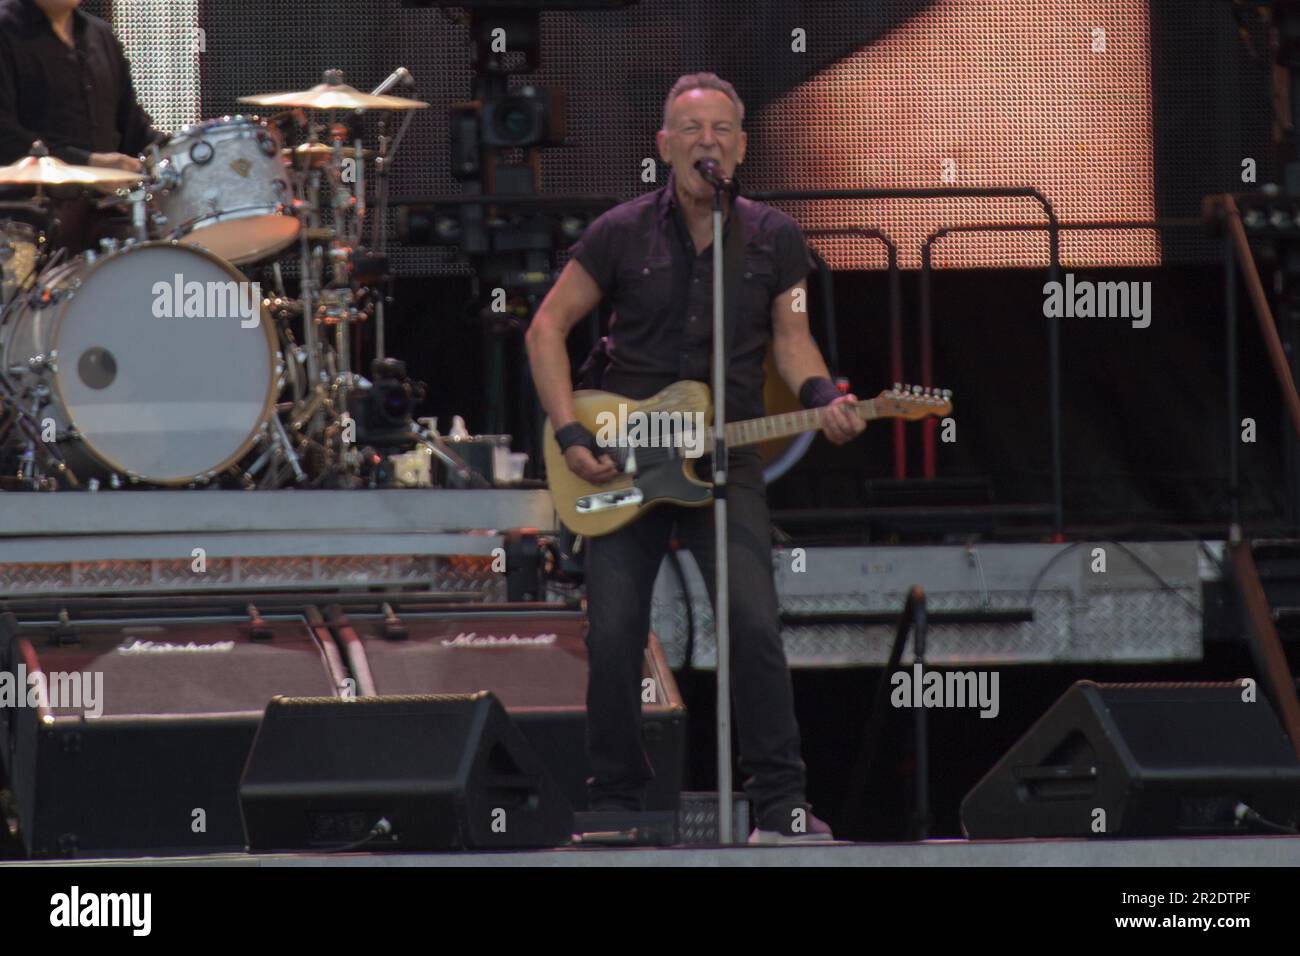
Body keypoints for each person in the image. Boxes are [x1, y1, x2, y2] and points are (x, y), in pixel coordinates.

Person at [526, 72, 866, 844]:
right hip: (621, 456)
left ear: (741, 146)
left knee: (753, 623)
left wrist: (822, 391)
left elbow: (793, 332)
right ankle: (615, 803)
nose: (706, 141)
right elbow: (547, 328)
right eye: (691, 129)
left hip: (724, 457)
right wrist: (571, 433)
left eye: (720, 129)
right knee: (614, 633)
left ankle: (779, 804)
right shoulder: (617, 232)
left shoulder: (775, 237)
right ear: (664, 146)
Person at [0, 0, 163, 250]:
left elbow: (135, 130)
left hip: (106, 217)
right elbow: (5, 135)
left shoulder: (101, 35)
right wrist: (87, 163)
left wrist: (193, 151)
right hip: (25, 220)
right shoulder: (6, 30)